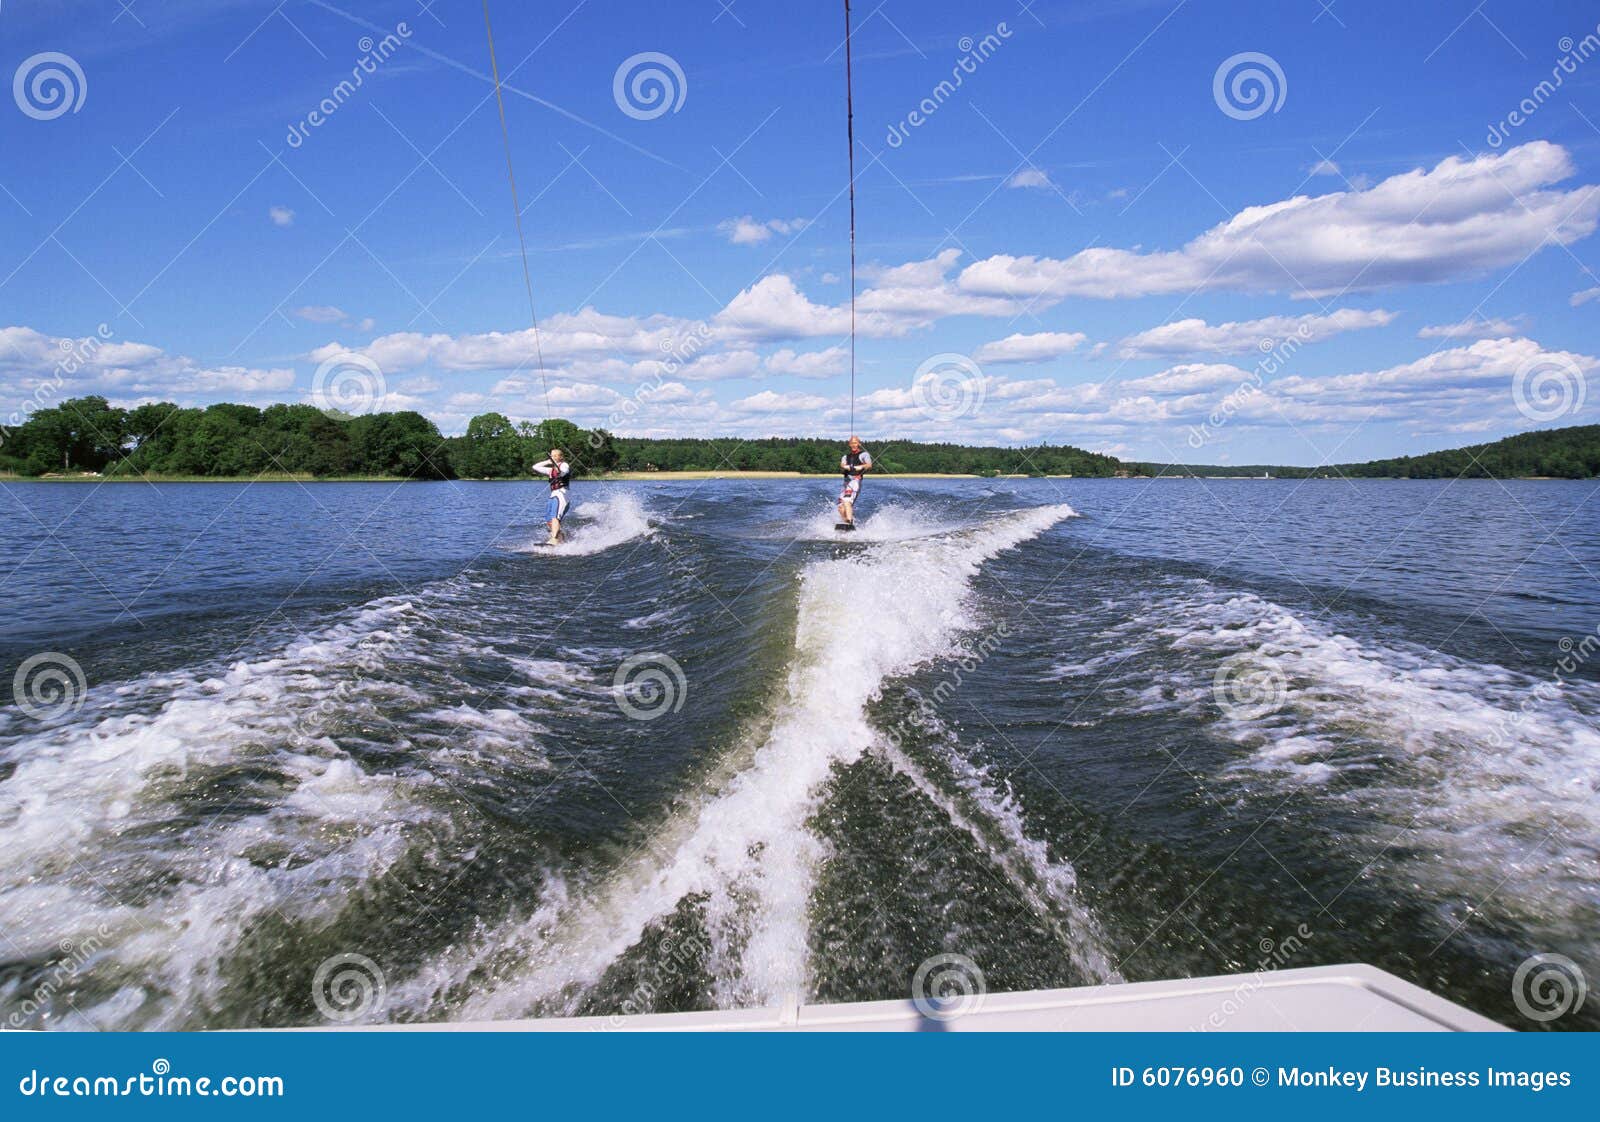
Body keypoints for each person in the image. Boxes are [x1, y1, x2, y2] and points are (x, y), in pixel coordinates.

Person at [531, 448, 572, 544]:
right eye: (551, 455)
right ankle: (560, 536)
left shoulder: (564, 465)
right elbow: (535, 467)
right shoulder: (550, 470)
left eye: (555, 455)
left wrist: (559, 471)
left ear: (560, 457)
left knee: (555, 517)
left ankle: (554, 539)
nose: (552, 457)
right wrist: (548, 461)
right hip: (553, 495)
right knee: (549, 520)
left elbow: (563, 472)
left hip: (562, 494)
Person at [837, 435, 872, 526]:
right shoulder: (845, 456)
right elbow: (842, 464)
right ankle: (847, 523)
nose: (854, 445)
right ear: (849, 444)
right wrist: (845, 466)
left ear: (859, 444)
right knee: (840, 507)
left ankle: (849, 522)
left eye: (855, 443)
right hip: (846, 483)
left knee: (847, 501)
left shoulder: (864, 454)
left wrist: (861, 466)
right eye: (852, 443)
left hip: (855, 482)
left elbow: (869, 465)